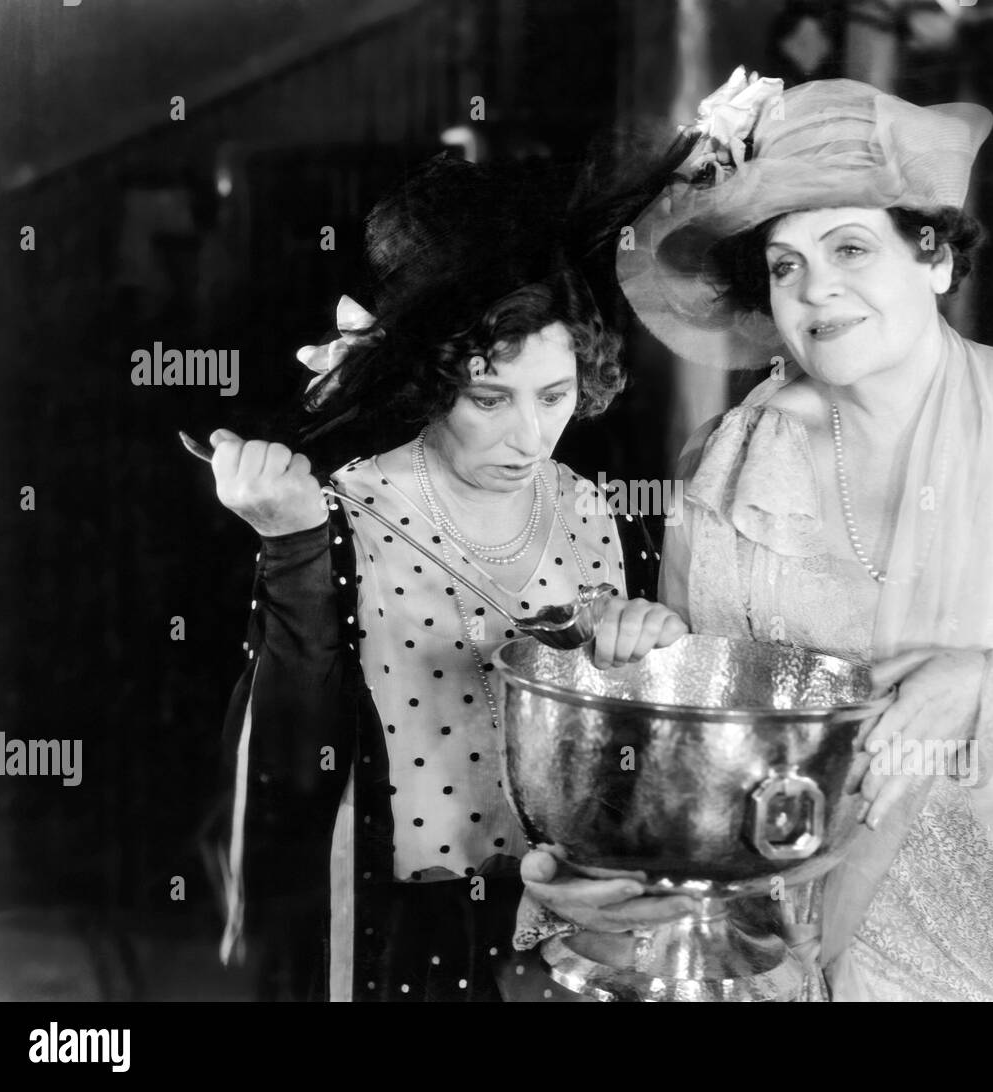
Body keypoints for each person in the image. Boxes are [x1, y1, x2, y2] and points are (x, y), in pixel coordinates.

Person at [521, 69, 993, 1001]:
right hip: (794, 965)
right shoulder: (735, 462)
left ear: (936, 258)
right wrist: (653, 658)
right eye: (785, 265)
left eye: (852, 247)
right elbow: (706, 745)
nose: (817, 292)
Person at [206, 152, 691, 1002]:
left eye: (554, 394)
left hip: (565, 923)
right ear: (432, 382)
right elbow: (289, 735)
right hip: (397, 927)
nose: (529, 437)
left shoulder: (609, 519)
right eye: (489, 399)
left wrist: (656, 653)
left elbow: (646, 754)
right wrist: (288, 544)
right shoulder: (348, 510)